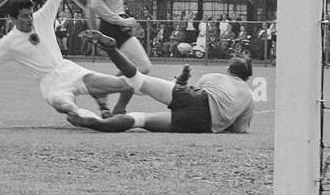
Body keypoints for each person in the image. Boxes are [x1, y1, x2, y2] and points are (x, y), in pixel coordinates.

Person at [0, 0, 133, 123]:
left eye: (30, 14)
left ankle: (108, 103)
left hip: (70, 71)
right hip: (51, 85)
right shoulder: (8, 42)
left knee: (126, 85)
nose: (30, 19)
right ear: (13, 19)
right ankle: (95, 119)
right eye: (24, 16)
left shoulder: (42, 18)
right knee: (68, 107)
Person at [75, 30, 255, 134]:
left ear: (228, 69)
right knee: (140, 119)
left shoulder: (213, 77)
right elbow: (240, 129)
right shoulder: (248, 96)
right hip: (202, 123)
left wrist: (181, 82)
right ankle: (96, 123)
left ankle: (112, 49)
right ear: (247, 77)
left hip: (195, 97)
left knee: (138, 79)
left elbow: (190, 98)